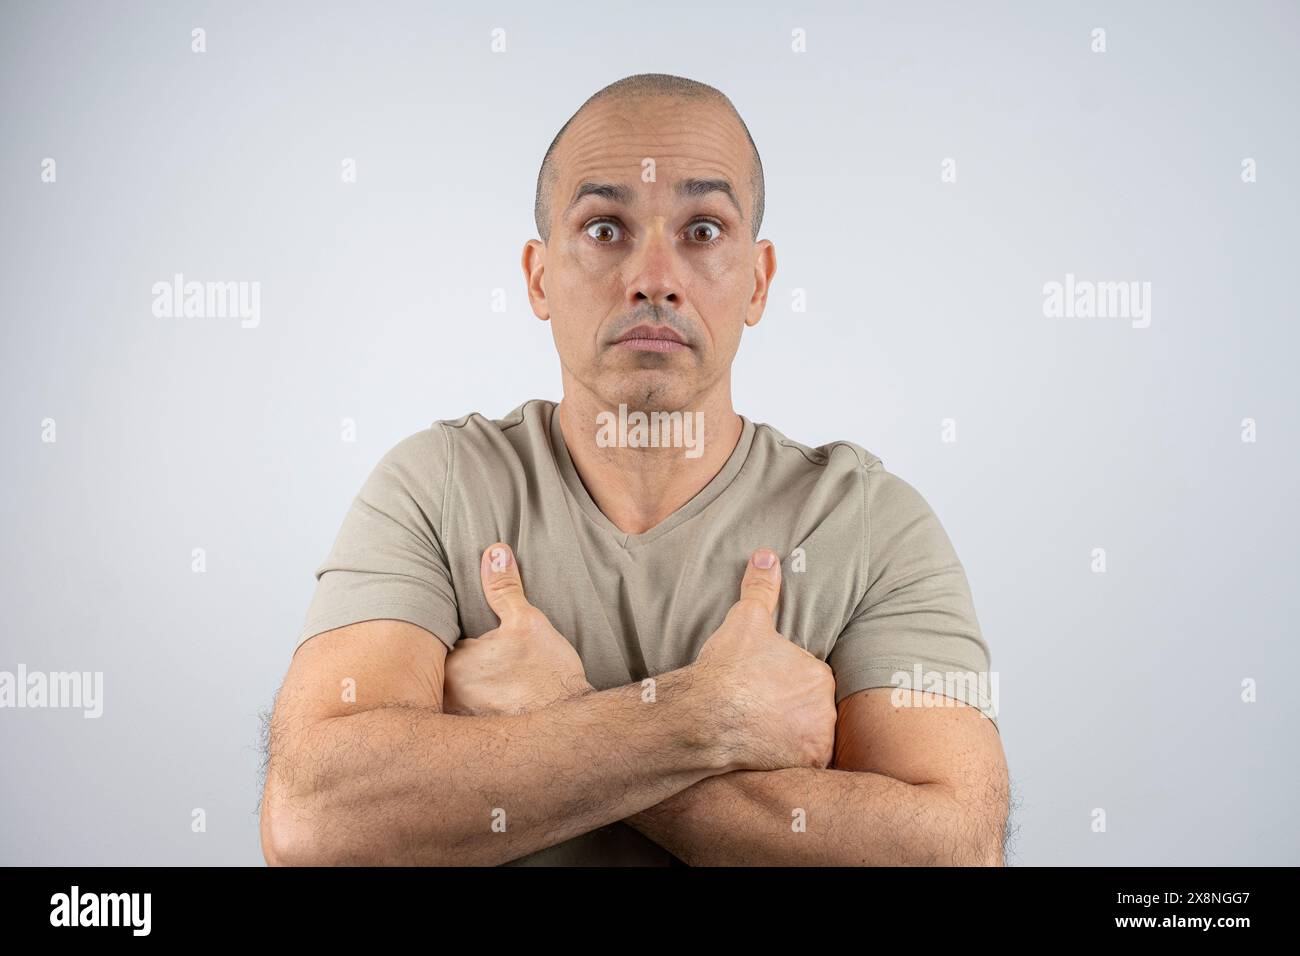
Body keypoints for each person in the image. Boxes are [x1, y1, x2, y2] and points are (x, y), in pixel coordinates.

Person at [259, 73, 1009, 866]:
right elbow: (315, 821)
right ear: (539, 276)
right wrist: (708, 721)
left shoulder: (867, 523)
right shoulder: (436, 486)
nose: (654, 278)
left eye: (704, 231)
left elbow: (954, 849)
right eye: (606, 229)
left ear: (758, 280)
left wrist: (554, 721)